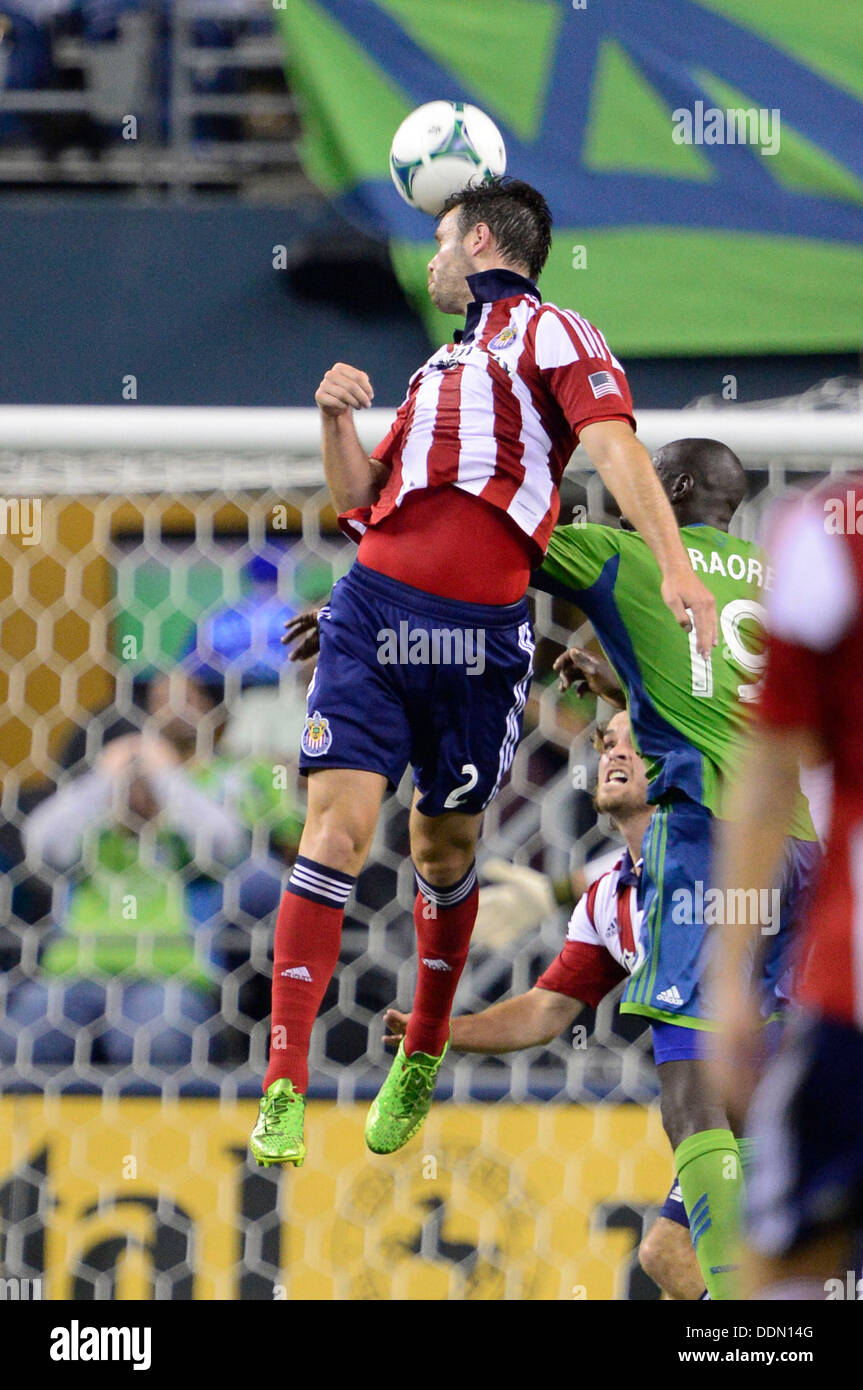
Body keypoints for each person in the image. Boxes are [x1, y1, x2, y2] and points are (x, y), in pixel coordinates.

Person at [249, 176, 716, 1169]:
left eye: (433, 238)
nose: (425, 259)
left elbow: (612, 445)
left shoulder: (553, 332)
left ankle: (419, 1047)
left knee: (442, 847)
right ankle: (281, 1083)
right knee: (332, 827)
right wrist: (334, 419)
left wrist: (674, 563)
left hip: (477, 643)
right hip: (371, 614)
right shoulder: (432, 374)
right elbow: (362, 503)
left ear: (475, 239)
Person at [535, 437, 820, 1299]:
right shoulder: (777, 579)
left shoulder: (631, 555)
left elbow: (503, 532)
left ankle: (746, 1311)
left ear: (678, 489)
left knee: (689, 1089)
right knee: (756, 1093)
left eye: (644, 479)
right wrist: (623, 687)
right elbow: (724, 693)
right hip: (800, 849)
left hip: (711, 840)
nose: (631, 493)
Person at [385, 708, 705, 1299]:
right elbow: (545, 1009)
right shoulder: (610, 899)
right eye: (608, 742)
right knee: (679, 1261)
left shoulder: (714, 852)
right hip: (715, 1110)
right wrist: (439, 1030)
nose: (614, 753)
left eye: (636, 745)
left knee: (678, 1255)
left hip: (778, 1080)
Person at [713, 479, 862, 1299]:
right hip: (842, 990)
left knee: (783, 1269)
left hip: (850, 993)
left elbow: (769, 770)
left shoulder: (827, 536)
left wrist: (729, 977)